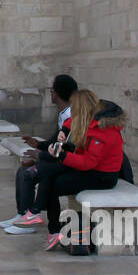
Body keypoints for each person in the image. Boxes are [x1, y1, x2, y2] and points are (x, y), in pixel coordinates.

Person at [30, 94, 126, 250]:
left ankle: (48, 224)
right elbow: (73, 124)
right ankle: (40, 216)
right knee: (49, 173)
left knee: (52, 184)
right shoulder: (94, 123)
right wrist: (64, 131)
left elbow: (87, 162)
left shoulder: (103, 132)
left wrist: (62, 155)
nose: (73, 112)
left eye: (75, 108)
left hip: (102, 176)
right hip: (92, 170)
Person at [1, 74, 77, 233]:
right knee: (23, 170)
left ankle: (29, 222)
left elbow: (66, 148)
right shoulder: (64, 112)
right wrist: (39, 145)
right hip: (62, 160)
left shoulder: (71, 115)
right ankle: (22, 214)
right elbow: (56, 139)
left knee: (28, 173)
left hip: (70, 164)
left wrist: (39, 157)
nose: (51, 93)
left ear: (57, 93)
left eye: (52, 90)